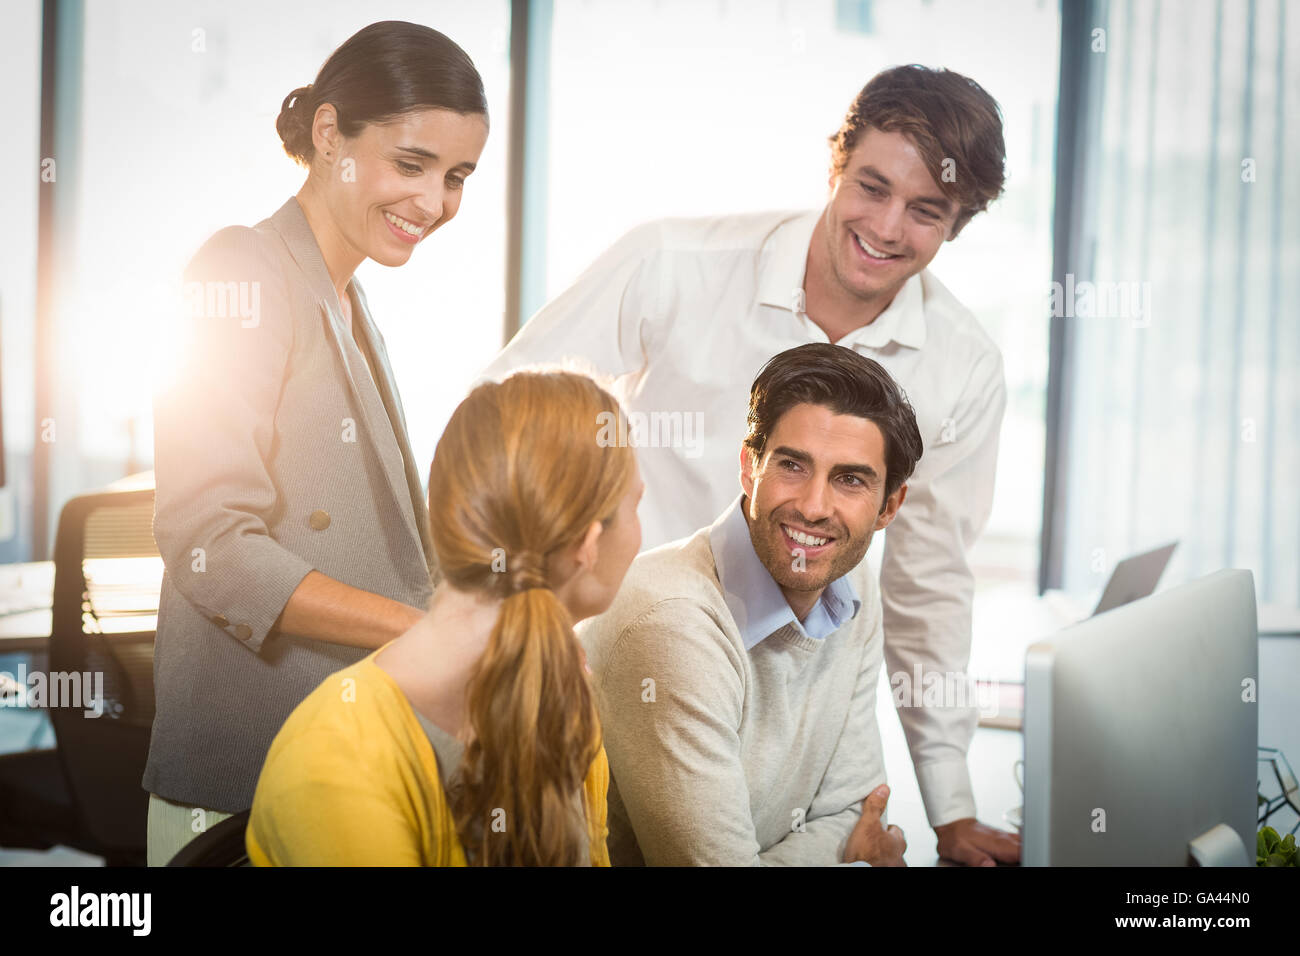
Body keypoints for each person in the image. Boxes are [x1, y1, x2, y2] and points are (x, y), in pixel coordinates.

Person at [480, 65, 1019, 865]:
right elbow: (503, 425)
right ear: (837, 166)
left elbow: (930, 583)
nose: (886, 225)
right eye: (870, 187)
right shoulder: (673, 263)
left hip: (787, 717)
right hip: (613, 669)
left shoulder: (963, 367)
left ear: (957, 224)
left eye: (925, 211)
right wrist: (523, 638)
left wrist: (952, 805)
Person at [144, 20, 489, 865]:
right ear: (330, 134)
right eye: (411, 165)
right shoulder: (242, 269)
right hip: (243, 790)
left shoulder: (352, 303)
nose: (435, 202)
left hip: (342, 767)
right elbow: (209, 542)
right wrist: (421, 631)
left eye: (456, 177)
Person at [246, 371, 644, 865]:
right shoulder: (335, 759)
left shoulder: (564, 695)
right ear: (588, 542)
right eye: (635, 506)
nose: (640, 531)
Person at [579, 344, 917, 865]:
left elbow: (856, 808)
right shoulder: (671, 621)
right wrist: (845, 854)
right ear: (748, 467)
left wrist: (841, 836)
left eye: (849, 479)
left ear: (888, 507)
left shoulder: (852, 581)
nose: (812, 506)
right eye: (792, 465)